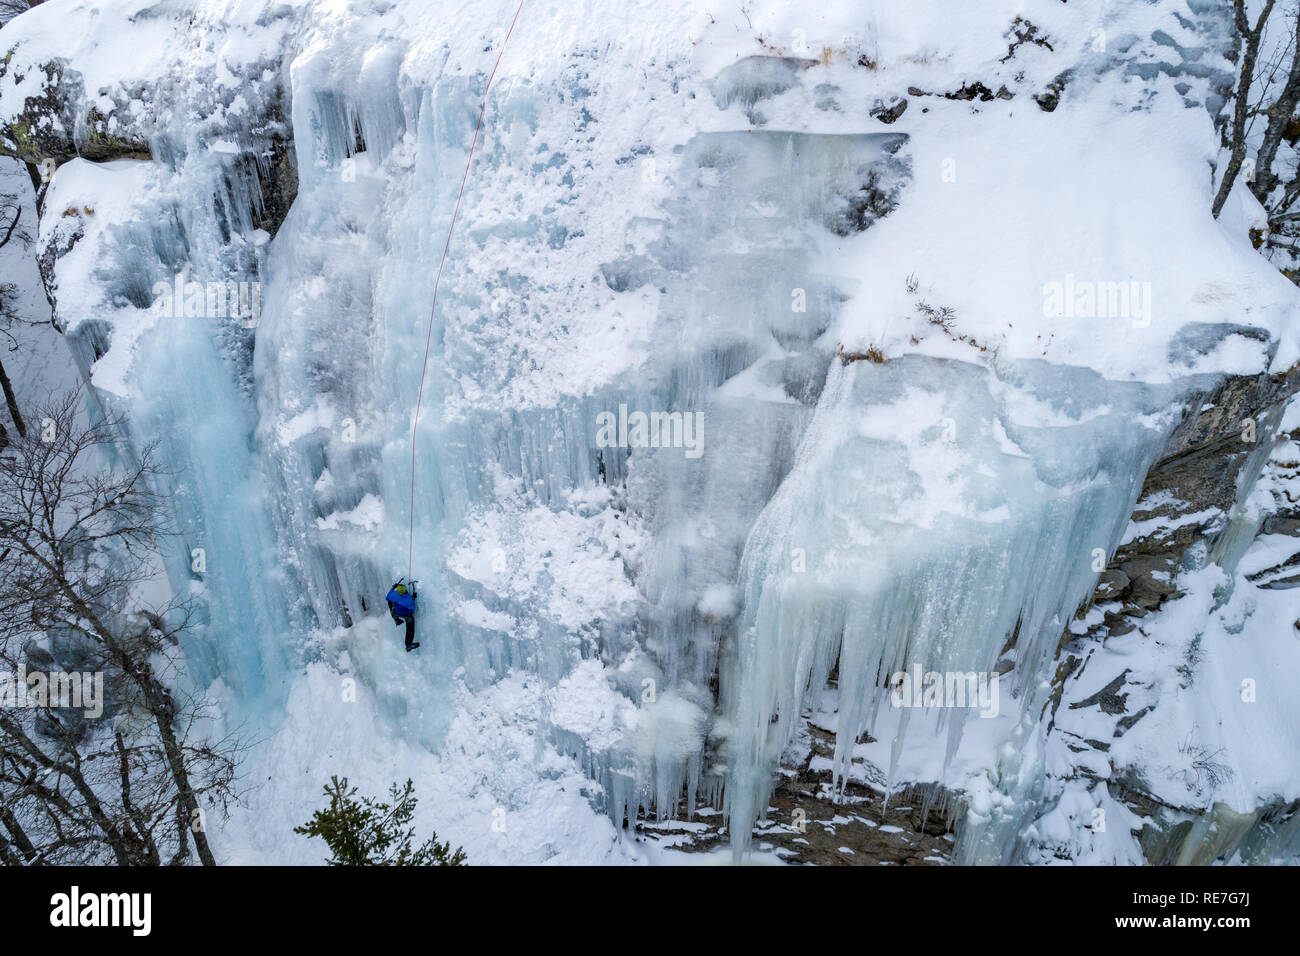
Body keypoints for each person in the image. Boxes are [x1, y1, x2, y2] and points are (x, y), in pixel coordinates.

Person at [385, 580, 419, 652]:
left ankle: (396, 619)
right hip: (406, 615)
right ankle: (409, 645)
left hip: (396, 612)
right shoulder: (408, 598)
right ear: (404, 591)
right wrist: (413, 598)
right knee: (410, 628)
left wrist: (393, 588)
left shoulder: (394, 594)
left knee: (390, 603)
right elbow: (412, 609)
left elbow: (387, 597)